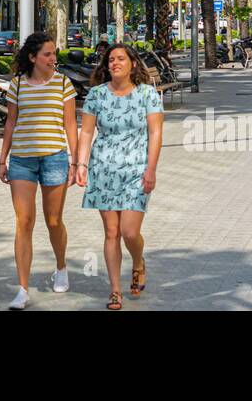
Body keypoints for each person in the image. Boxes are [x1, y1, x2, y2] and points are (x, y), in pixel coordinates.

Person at [74, 44, 163, 310]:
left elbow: (156, 133)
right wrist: (81, 163)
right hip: (103, 169)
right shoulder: (97, 95)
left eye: (121, 59)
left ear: (133, 64)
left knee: (129, 231)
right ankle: (115, 290)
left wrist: (151, 168)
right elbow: (87, 133)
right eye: (111, 59)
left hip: (137, 169)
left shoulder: (147, 94)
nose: (115, 63)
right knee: (111, 232)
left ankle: (138, 262)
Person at [0, 32, 78, 310]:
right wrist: (1, 159)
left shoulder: (64, 84)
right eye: (47, 54)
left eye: (54, 53)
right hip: (22, 160)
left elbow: (70, 124)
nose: (53, 58)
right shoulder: (17, 85)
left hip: (55, 158)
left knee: (54, 220)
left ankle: (61, 266)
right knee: (24, 221)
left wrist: (75, 160)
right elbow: (10, 123)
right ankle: (22, 288)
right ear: (33, 57)